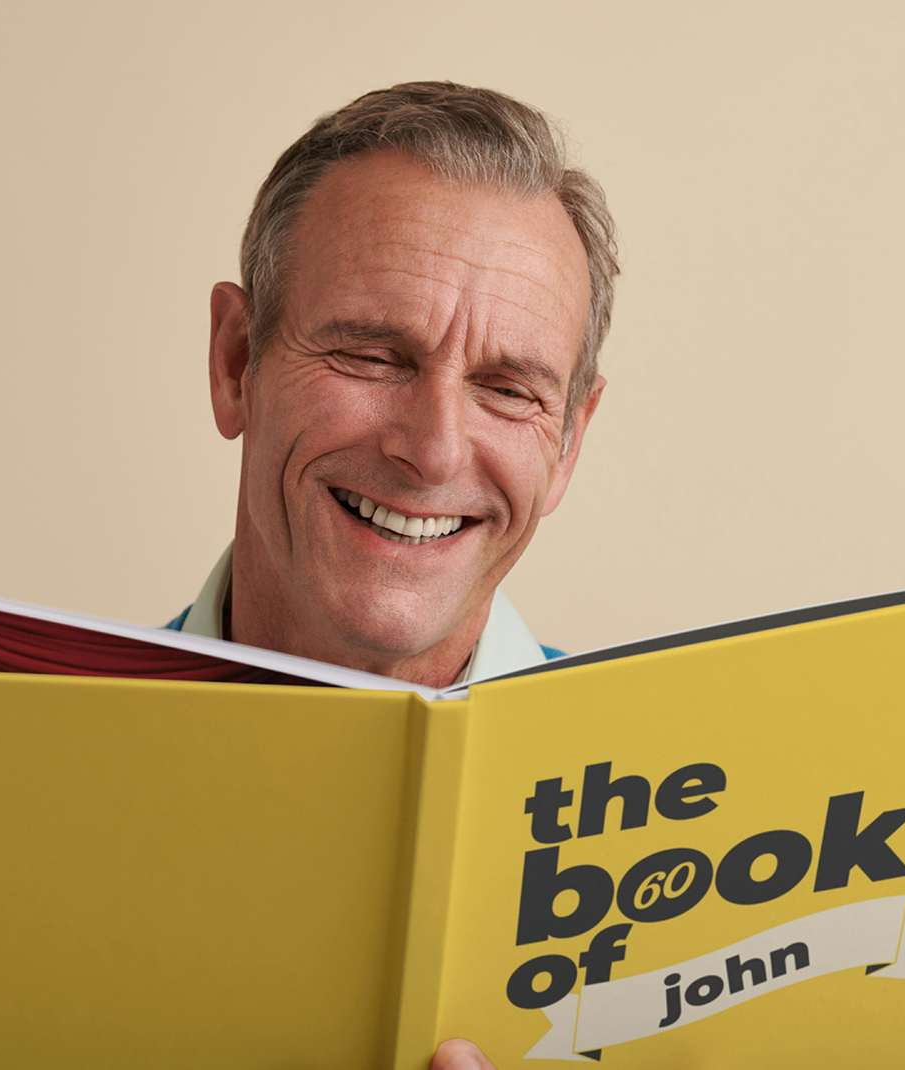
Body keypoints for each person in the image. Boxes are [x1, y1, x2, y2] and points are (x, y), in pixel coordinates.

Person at [171, 81, 619, 1066]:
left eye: (507, 389)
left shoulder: (705, 844)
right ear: (236, 359)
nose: (430, 450)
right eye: (371, 356)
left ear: (568, 443)